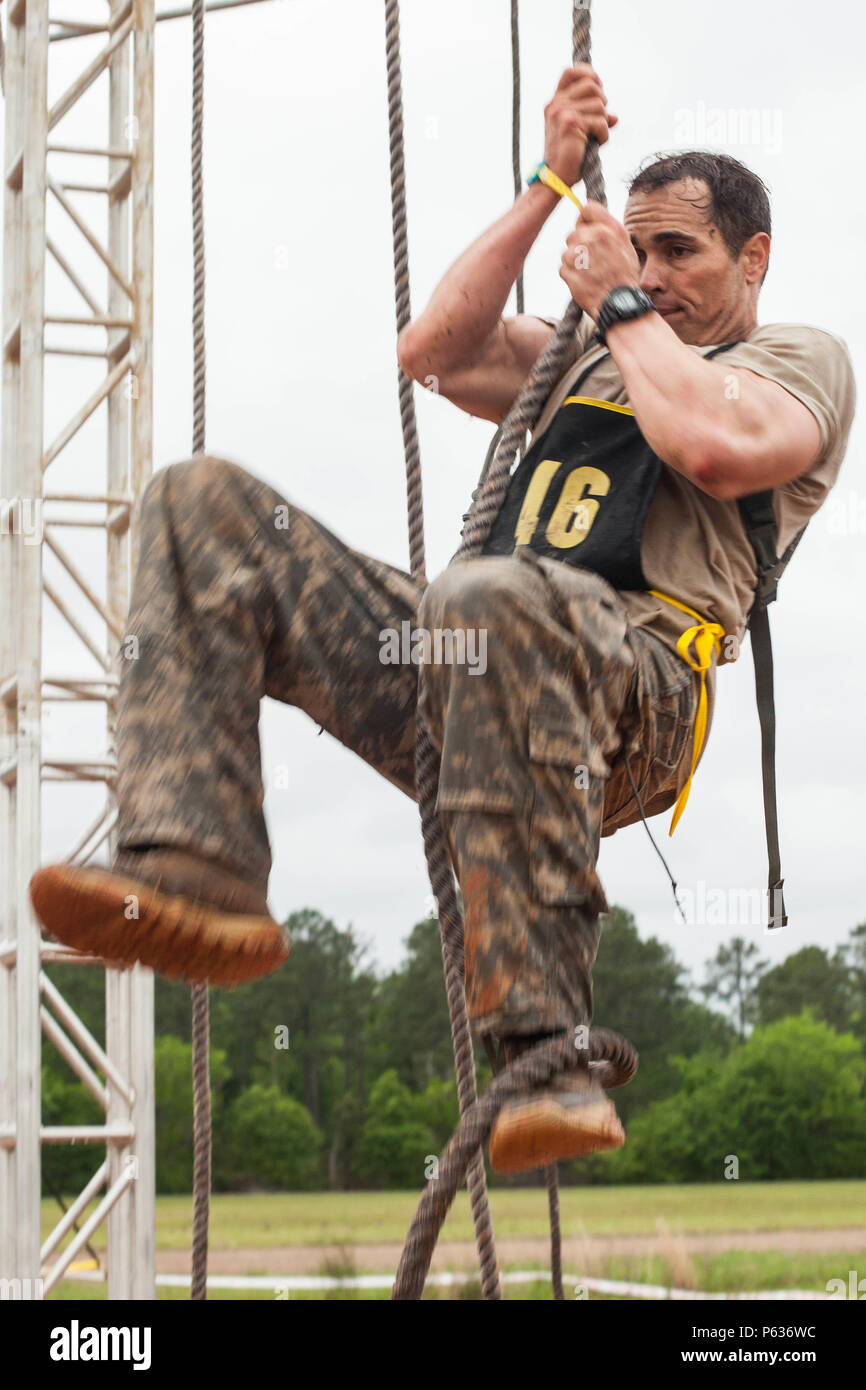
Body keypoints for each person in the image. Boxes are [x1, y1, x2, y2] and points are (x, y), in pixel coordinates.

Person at [31, 65, 856, 1175]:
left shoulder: (787, 359)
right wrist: (544, 187)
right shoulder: (587, 360)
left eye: (680, 254)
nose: (653, 275)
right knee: (201, 504)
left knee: (485, 596)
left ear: (751, 261)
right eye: (640, 249)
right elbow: (435, 350)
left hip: (634, 702)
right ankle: (197, 859)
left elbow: (713, 445)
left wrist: (615, 302)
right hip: (477, 669)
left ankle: (538, 1041)